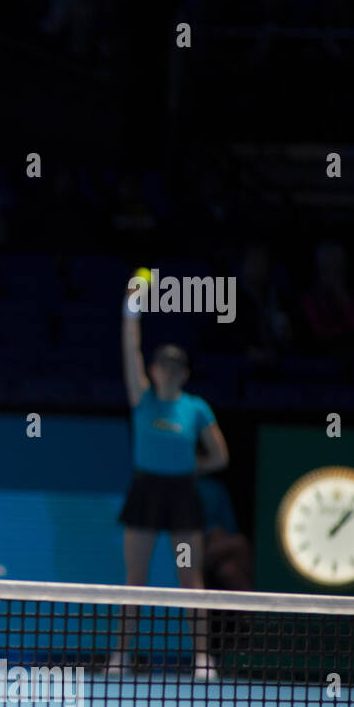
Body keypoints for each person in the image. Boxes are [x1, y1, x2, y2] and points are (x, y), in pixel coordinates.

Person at [114, 272, 229, 680]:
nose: (170, 370)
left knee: (190, 579)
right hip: (146, 492)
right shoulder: (140, 397)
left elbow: (219, 456)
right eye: (164, 365)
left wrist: (188, 466)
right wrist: (132, 310)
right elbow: (130, 349)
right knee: (136, 580)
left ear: (185, 373)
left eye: (177, 366)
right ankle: (122, 656)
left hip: (182, 495)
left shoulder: (196, 408)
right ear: (154, 369)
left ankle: (202, 658)